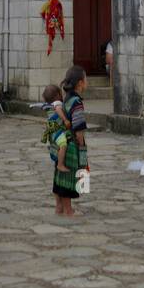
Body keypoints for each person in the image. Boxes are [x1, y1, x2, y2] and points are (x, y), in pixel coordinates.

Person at [52, 66, 89, 217]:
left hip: (61, 142)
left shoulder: (66, 98)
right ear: (80, 83)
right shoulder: (77, 102)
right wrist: (82, 147)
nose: (87, 82)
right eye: (86, 79)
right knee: (69, 176)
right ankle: (69, 210)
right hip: (72, 143)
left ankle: (59, 207)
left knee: (59, 177)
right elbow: (79, 128)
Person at [41, 84, 73, 214]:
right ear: (59, 94)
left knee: (56, 174)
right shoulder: (58, 103)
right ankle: (60, 164)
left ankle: (58, 206)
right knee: (63, 145)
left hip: (52, 133)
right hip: (58, 132)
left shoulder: (48, 106)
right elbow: (59, 110)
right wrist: (65, 119)